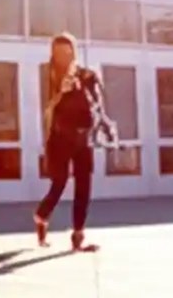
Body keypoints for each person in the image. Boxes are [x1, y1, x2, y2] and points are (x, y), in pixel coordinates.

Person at [33, 32, 117, 252]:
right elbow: (46, 106)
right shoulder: (47, 74)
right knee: (59, 183)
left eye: (68, 51)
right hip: (60, 138)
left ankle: (78, 234)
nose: (64, 56)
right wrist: (62, 91)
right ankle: (41, 216)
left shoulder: (85, 74)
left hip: (83, 138)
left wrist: (93, 86)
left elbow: (98, 104)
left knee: (84, 186)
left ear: (74, 51)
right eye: (59, 52)